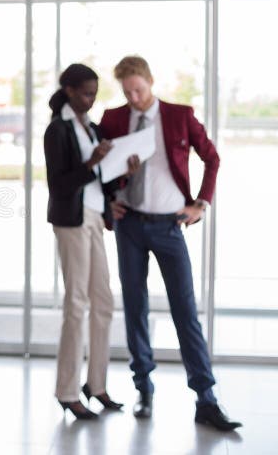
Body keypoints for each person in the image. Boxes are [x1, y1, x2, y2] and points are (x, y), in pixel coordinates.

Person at [99, 55, 241, 431]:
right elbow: (98, 167)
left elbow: (212, 158)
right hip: (129, 224)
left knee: (184, 309)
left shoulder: (179, 115)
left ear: (150, 81)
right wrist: (110, 196)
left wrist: (201, 203)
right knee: (135, 307)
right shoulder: (114, 119)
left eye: (139, 90)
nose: (134, 98)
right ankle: (143, 387)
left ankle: (205, 398)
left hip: (169, 225)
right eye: (127, 92)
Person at [44, 63, 129, 420]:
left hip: (95, 216)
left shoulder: (90, 128)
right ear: (68, 91)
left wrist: (122, 174)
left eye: (94, 93)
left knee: (104, 301)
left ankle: (96, 385)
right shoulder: (57, 130)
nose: (91, 99)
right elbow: (60, 185)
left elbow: (100, 179)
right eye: (84, 93)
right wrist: (93, 160)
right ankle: (67, 390)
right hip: (72, 222)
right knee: (76, 303)